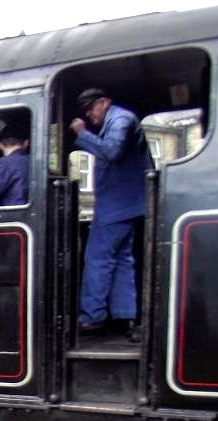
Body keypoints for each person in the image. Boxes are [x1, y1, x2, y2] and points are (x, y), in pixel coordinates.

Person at [70, 88, 154, 338]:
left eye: (91, 109)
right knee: (121, 261)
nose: (90, 115)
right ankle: (125, 317)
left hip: (116, 207)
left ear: (105, 102)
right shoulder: (118, 120)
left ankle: (92, 317)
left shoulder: (121, 119)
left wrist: (81, 133)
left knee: (97, 260)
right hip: (125, 207)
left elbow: (112, 151)